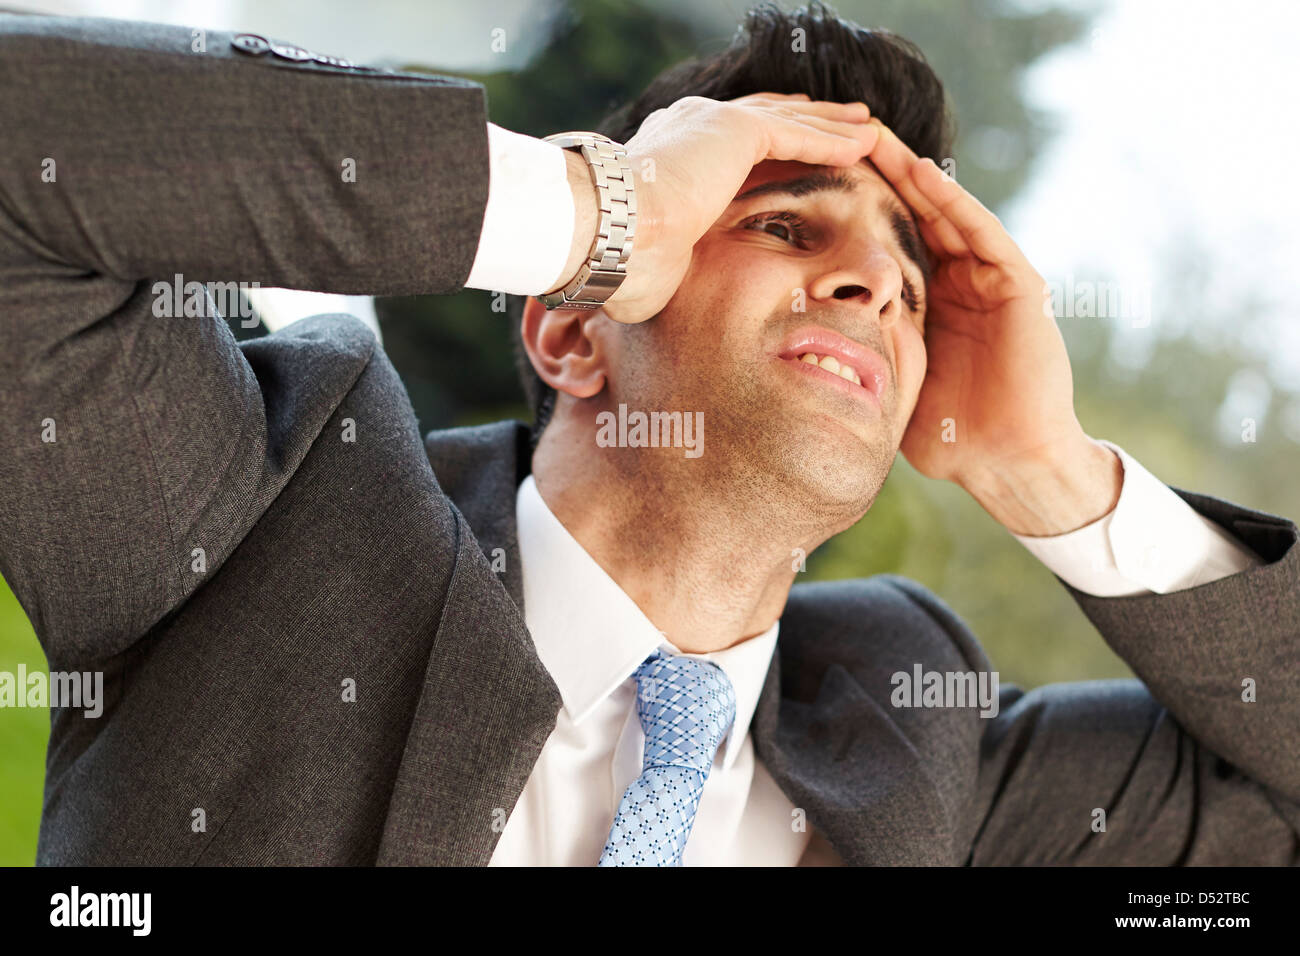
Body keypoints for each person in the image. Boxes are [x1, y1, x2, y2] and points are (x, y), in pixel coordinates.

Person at [0, 4, 1295, 867]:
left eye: (908, 291)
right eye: (788, 225)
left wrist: (1052, 475)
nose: (873, 291)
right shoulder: (262, 517)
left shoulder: (922, 741)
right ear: (571, 335)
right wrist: (598, 208)